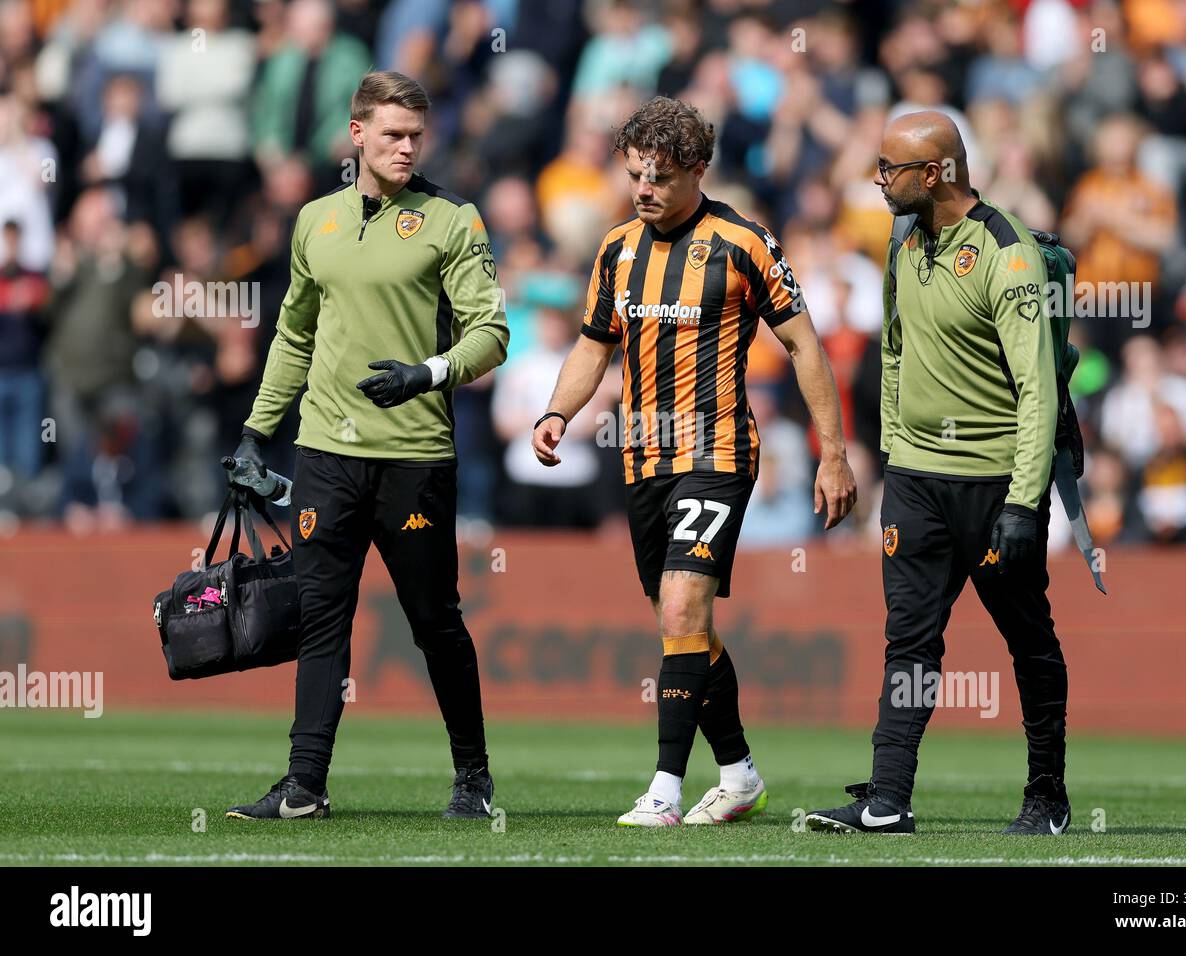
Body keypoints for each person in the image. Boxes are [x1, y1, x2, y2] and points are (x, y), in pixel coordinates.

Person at [532, 96, 856, 827]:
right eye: (636, 173)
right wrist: (558, 411)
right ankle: (739, 775)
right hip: (641, 460)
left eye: (661, 176)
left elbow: (805, 345)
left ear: (698, 172)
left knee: (682, 606)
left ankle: (665, 791)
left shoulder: (744, 244)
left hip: (717, 452)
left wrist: (830, 454)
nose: (645, 188)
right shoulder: (616, 248)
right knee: (686, 629)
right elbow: (592, 344)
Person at [225, 71, 509, 821]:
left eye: (417, 134)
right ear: (357, 135)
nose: (407, 147)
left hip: (415, 456)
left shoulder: (454, 219)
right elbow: (294, 334)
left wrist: (428, 373)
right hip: (323, 452)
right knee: (322, 617)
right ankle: (304, 785)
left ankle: (473, 776)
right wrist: (257, 434)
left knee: (433, 620)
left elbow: (492, 334)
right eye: (392, 134)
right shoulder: (315, 220)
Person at [805, 111, 1069, 836]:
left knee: (1029, 639)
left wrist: (1022, 503)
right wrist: (893, 452)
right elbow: (894, 351)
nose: (877, 178)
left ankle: (1047, 793)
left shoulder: (1006, 252)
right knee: (909, 639)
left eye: (890, 167)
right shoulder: (901, 242)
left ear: (934, 174)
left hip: (993, 483)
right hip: (916, 480)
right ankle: (888, 798)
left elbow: (1036, 387)